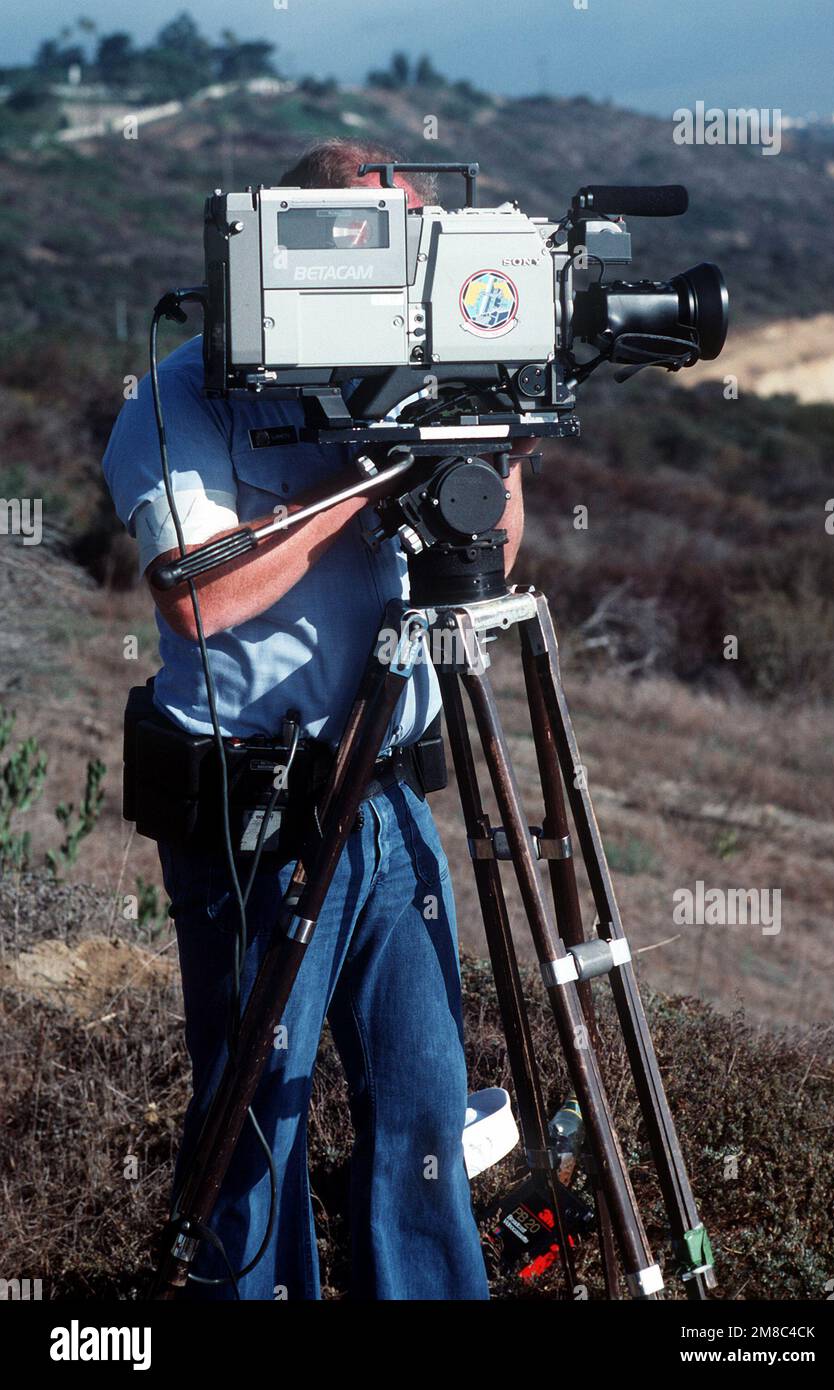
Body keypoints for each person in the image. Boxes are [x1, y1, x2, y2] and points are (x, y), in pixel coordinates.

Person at [103, 139, 526, 1301]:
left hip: (386, 798)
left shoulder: (416, 375)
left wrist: (485, 444)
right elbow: (195, 595)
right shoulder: (184, 393)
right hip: (256, 809)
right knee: (255, 1123)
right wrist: (368, 484)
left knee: (426, 1105)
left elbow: (487, 564)